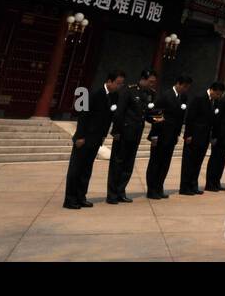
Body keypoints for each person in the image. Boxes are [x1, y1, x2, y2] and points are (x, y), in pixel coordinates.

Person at [63, 70, 125, 209]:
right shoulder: (92, 94)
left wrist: (103, 135)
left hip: (96, 139)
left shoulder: (113, 96)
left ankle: (81, 196)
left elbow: (108, 118)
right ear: (109, 81)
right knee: (76, 169)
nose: (119, 86)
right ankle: (70, 199)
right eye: (117, 83)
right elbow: (83, 116)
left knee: (86, 169)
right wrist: (80, 136)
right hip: (84, 138)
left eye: (121, 84)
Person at [107, 68, 157, 203]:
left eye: (154, 82)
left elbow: (148, 114)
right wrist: (116, 131)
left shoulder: (150, 94)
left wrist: (159, 119)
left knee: (128, 164)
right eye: (151, 82)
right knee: (117, 163)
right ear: (143, 79)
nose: (153, 85)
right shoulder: (129, 90)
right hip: (123, 133)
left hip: (136, 134)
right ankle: (112, 194)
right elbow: (119, 112)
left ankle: (121, 191)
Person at [145, 74, 191, 199]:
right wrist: (156, 132)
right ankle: (151, 189)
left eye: (187, 87)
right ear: (178, 83)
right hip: (160, 135)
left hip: (171, 136)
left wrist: (177, 134)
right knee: (155, 163)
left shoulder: (183, 97)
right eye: (184, 86)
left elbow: (180, 117)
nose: (185, 89)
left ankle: (159, 187)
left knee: (165, 163)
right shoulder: (165, 95)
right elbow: (152, 113)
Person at [180, 82, 224, 195]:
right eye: (217, 94)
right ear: (212, 90)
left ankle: (193, 185)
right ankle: (185, 187)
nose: (218, 97)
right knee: (189, 162)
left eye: (220, 95)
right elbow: (190, 117)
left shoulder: (214, 101)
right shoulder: (199, 98)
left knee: (198, 162)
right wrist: (188, 134)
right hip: (194, 136)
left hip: (204, 137)